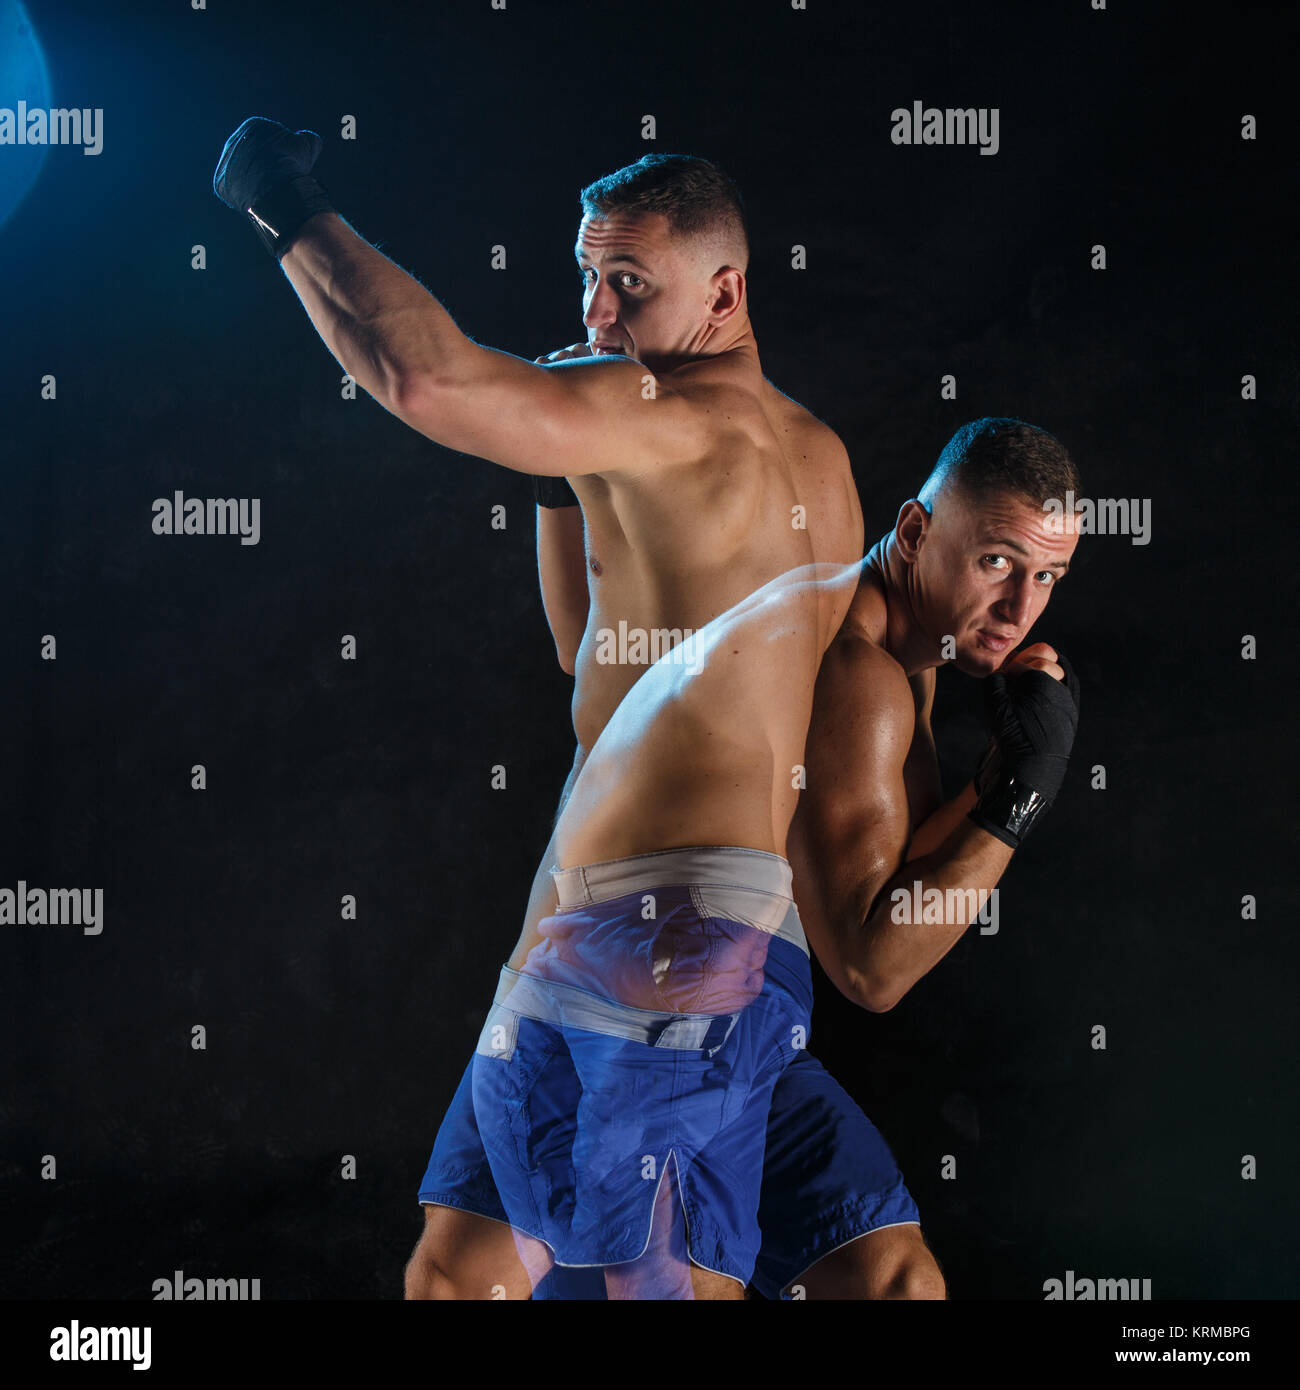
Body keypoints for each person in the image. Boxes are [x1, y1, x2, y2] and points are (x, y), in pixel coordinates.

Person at [214, 122, 863, 1297]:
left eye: (629, 283)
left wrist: (282, 205)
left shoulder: (673, 417)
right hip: (580, 935)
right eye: (586, 275)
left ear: (726, 290)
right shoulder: (813, 455)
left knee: (652, 1287)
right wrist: (562, 459)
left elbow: (425, 377)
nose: (599, 313)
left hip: (679, 941)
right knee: (456, 1272)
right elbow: (593, 657)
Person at [410, 416, 1084, 1298]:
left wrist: (989, 784)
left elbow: (875, 861)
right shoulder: (860, 674)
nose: (1020, 608)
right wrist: (1018, 794)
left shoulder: (881, 635)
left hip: (674, 977)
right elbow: (871, 965)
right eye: (997, 562)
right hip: (673, 984)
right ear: (917, 532)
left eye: (1048, 577)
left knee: (891, 1282)